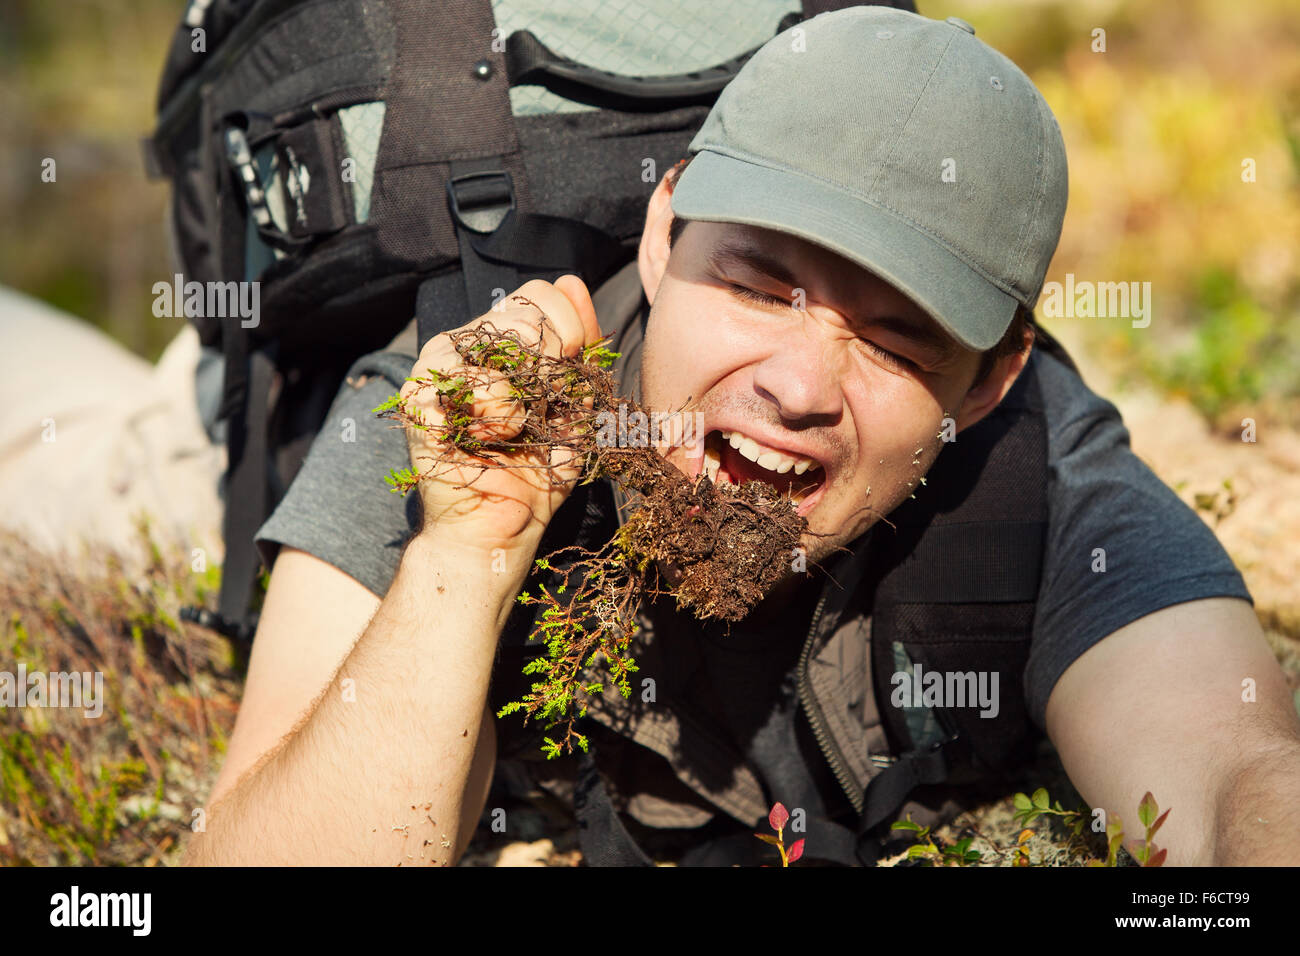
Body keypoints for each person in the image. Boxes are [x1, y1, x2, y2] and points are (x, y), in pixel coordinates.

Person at [183, 7, 1300, 866]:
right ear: (664, 235)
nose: (800, 383)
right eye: (762, 288)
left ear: (992, 377)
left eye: (897, 344)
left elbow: (1226, 783)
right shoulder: (467, 404)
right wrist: (470, 549)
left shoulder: (1041, 474)